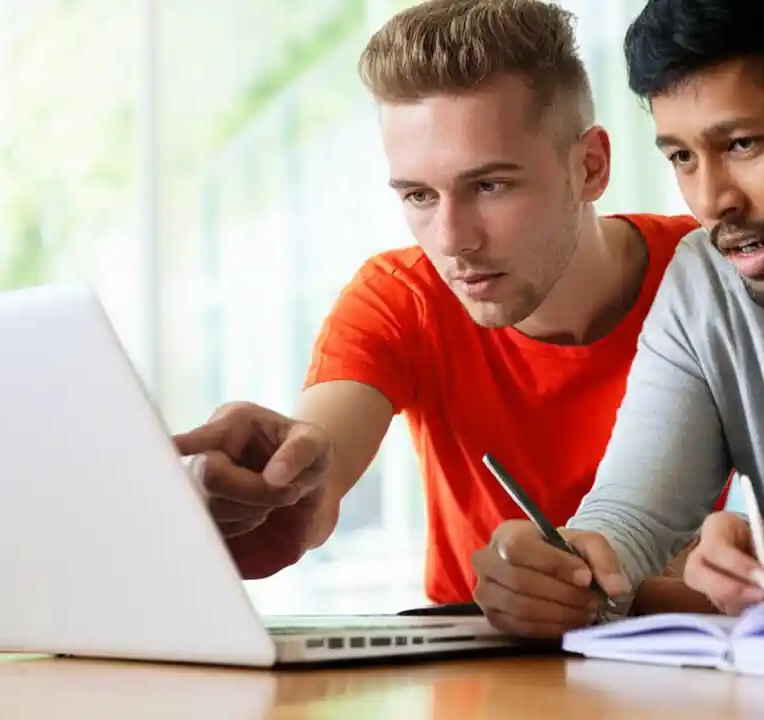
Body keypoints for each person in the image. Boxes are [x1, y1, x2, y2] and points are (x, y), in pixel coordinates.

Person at [172, 0, 704, 606]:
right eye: (420, 195)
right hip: (471, 678)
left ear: (590, 166)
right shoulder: (401, 297)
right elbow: (319, 461)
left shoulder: (709, 277)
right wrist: (281, 493)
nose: (452, 241)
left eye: (489, 186)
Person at [472, 0, 764, 637]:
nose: (711, 201)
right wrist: (562, 573)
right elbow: (631, 517)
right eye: (682, 158)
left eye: (742, 144)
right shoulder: (705, 277)